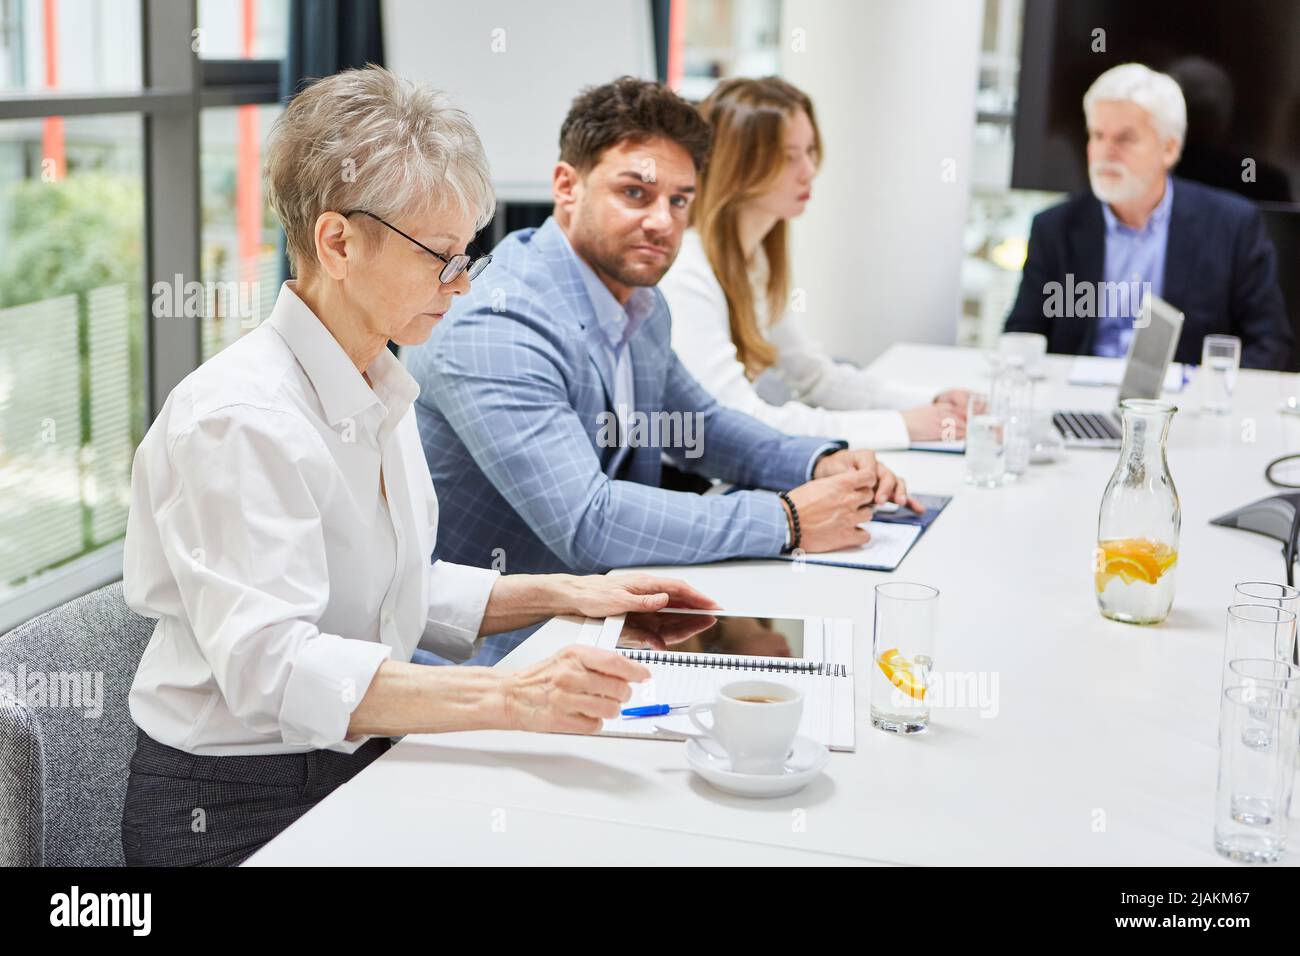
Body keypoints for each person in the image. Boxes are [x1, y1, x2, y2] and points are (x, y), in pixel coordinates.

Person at [119, 67, 716, 867]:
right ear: (337, 242)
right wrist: (510, 696)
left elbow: (387, 592)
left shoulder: (375, 380)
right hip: (238, 808)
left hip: (351, 759)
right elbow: (278, 668)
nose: (464, 282)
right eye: (441, 257)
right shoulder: (239, 420)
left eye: (466, 253)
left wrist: (568, 594)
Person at [405, 78, 921, 664]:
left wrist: (817, 460)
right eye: (635, 193)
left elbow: (702, 425)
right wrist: (786, 519)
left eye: (679, 200)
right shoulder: (496, 321)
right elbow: (587, 520)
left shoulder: (640, 304)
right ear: (566, 186)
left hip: (605, 623)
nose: (663, 222)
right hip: (490, 659)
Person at [658, 76, 970, 450]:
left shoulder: (752, 259)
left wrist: (930, 401)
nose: (809, 171)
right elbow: (737, 418)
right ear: (735, 167)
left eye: (810, 152)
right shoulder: (688, 271)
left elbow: (813, 376)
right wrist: (902, 426)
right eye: (789, 157)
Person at [1004, 62, 1292, 370]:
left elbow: (1270, 342)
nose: (1105, 152)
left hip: (1182, 407)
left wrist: (1205, 391)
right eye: (1098, 136)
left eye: (1124, 138)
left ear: (1169, 149)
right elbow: (1021, 335)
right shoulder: (1054, 227)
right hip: (1078, 403)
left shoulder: (1232, 226)